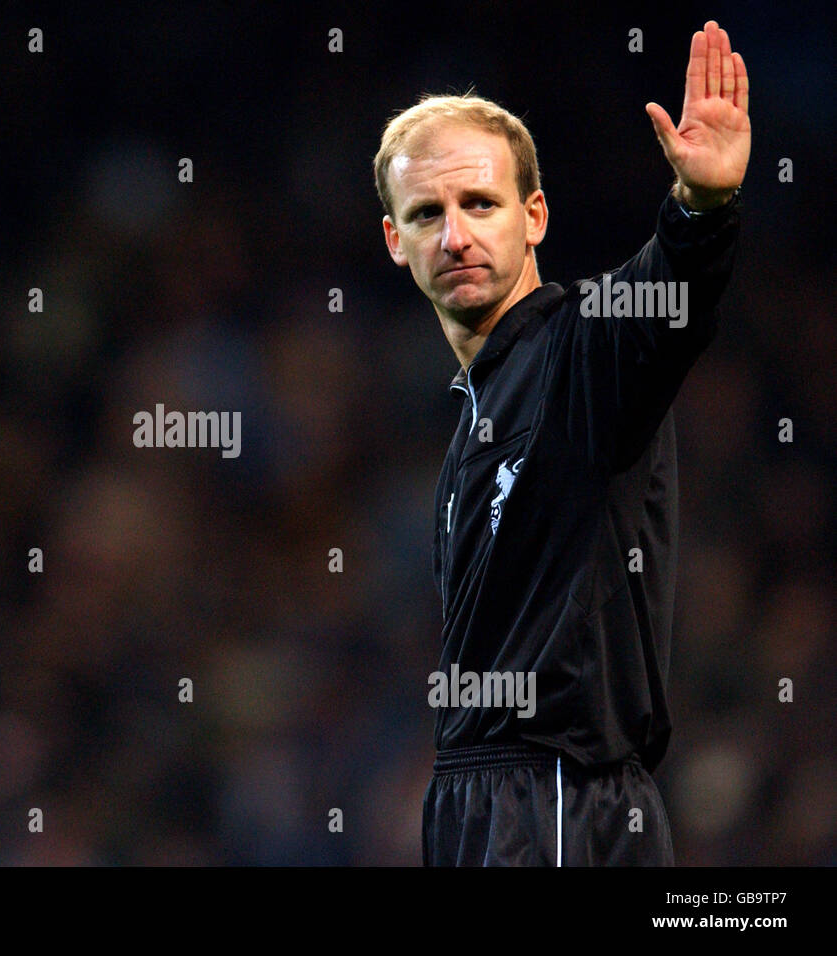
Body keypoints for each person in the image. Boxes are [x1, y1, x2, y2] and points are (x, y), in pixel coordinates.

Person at [373, 20, 750, 865]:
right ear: (395, 241)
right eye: (427, 214)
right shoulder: (474, 414)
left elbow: (661, 303)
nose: (456, 236)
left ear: (534, 214)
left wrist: (700, 209)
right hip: (481, 803)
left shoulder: (577, 349)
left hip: (557, 801)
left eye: (480, 203)